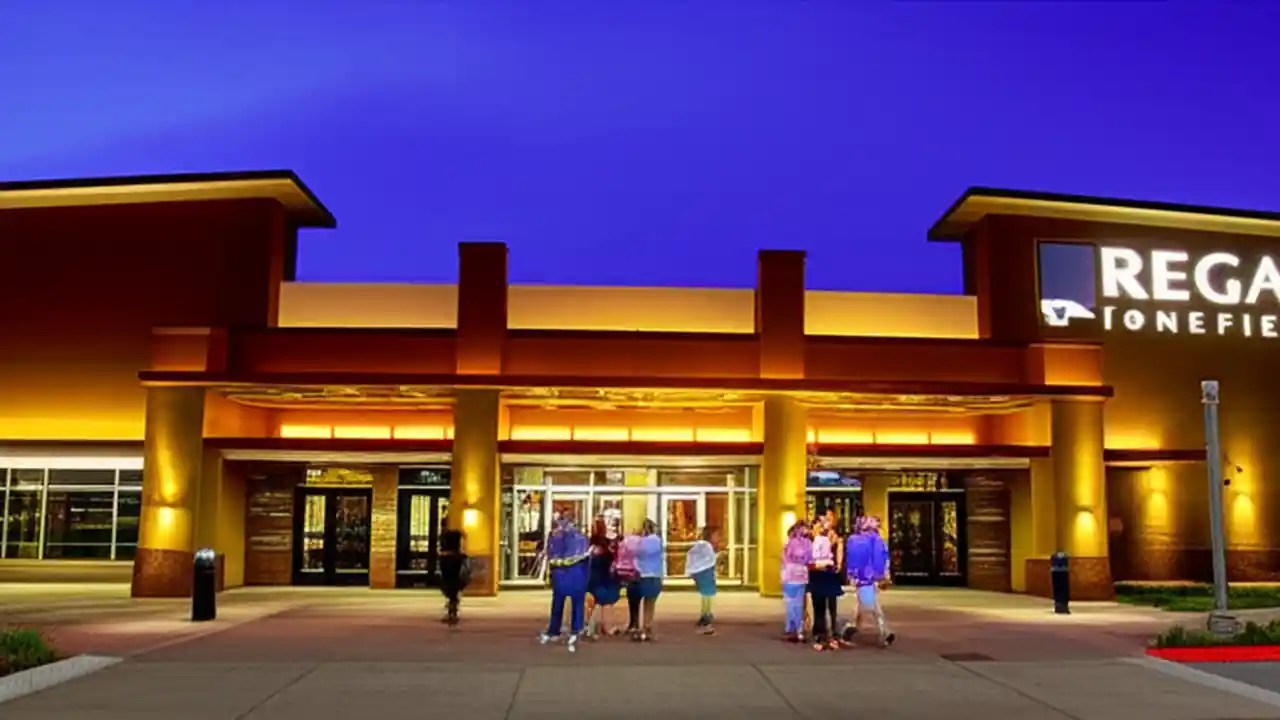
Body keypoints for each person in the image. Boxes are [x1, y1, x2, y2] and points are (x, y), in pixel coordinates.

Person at [539, 513, 592, 652]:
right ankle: (576, 628)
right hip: (577, 575)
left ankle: (554, 630)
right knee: (577, 603)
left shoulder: (555, 537)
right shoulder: (581, 538)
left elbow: (551, 555)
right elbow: (586, 559)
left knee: (558, 603)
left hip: (561, 575)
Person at [845, 515, 895, 647]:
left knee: (867, 604)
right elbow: (884, 559)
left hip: (862, 577)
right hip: (872, 577)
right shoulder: (878, 541)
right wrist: (885, 575)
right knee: (871, 605)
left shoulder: (854, 540)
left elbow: (852, 559)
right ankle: (884, 631)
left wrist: (852, 575)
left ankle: (850, 627)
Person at [807, 514, 844, 651]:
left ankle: (832, 635)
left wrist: (837, 565)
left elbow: (839, 556)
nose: (823, 525)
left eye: (826, 522)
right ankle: (819, 635)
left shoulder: (833, 537)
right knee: (819, 607)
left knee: (831, 606)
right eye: (821, 522)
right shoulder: (810, 538)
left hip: (828, 574)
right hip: (817, 574)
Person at [586, 517, 622, 638]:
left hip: (594, 577)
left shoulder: (591, 544)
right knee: (605, 603)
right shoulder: (606, 546)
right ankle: (605, 627)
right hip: (604, 578)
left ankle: (592, 626)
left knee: (597, 602)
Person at [632, 519, 663, 642]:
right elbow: (660, 558)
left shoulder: (641, 543)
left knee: (645, 602)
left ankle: (643, 626)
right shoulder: (658, 541)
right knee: (651, 602)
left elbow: (636, 559)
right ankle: (648, 625)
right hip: (655, 574)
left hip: (644, 575)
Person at [781, 521, 811, 642]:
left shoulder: (788, 544)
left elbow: (785, 560)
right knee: (798, 604)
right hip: (801, 576)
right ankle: (799, 630)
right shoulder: (808, 543)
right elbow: (810, 558)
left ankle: (792, 628)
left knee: (791, 604)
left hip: (790, 576)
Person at [686, 527, 720, 635]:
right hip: (706, 573)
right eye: (716, 535)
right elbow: (709, 560)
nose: (718, 538)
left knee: (706, 594)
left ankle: (706, 614)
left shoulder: (700, 546)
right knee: (708, 594)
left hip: (702, 574)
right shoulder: (706, 546)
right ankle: (706, 616)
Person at [438, 527, 469, 627]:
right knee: (454, 596)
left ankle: (451, 611)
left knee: (452, 595)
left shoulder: (444, 557)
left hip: (448, 579)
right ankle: (453, 611)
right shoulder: (460, 556)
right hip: (456, 579)